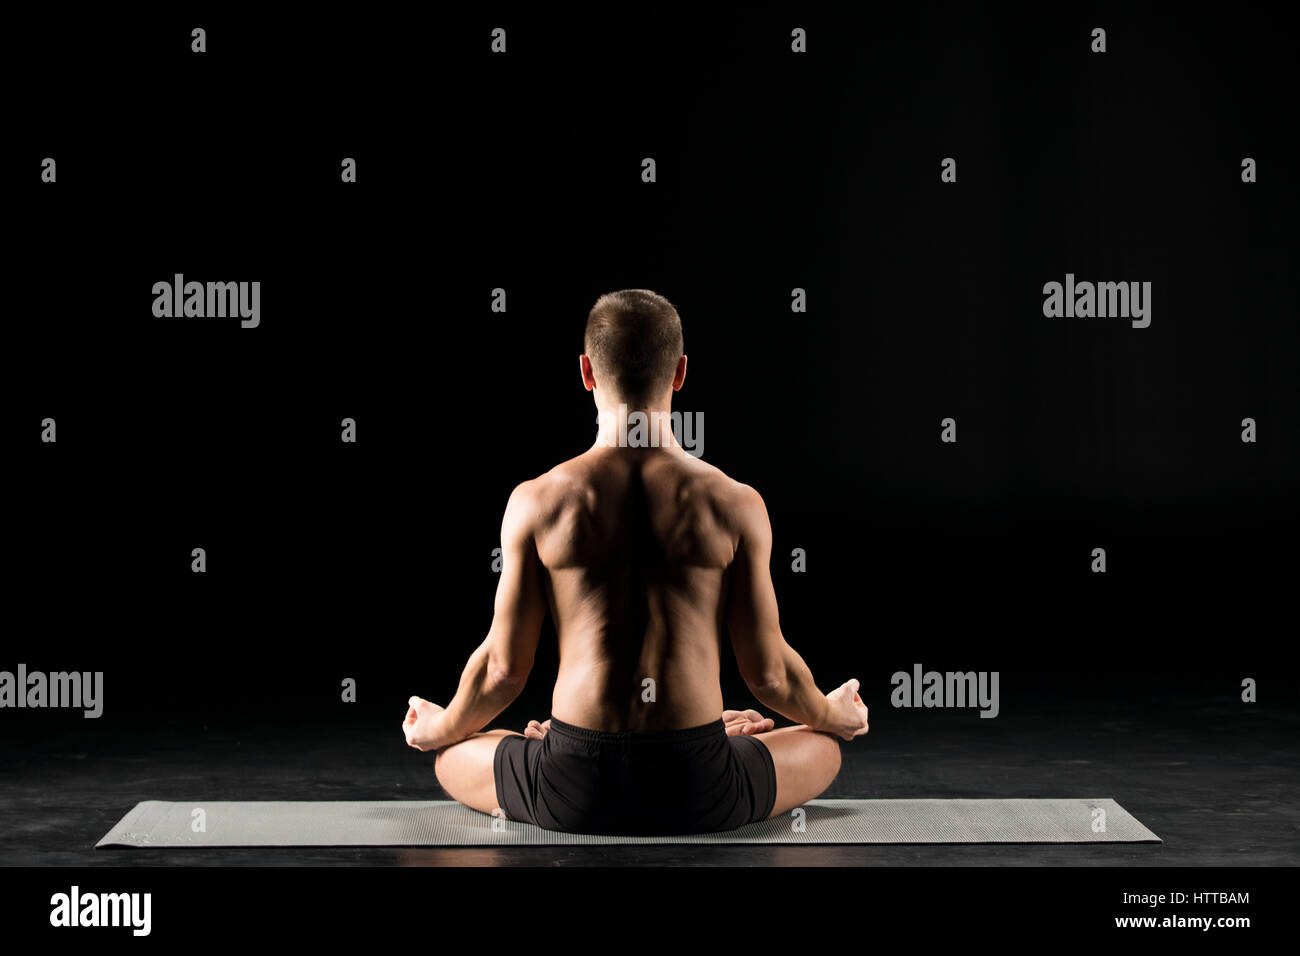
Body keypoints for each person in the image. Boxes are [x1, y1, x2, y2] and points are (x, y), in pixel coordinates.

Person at [403, 289, 869, 835]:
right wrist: (832, 715)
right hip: (699, 786)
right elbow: (768, 674)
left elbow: (502, 671)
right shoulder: (734, 502)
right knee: (824, 746)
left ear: (585, 372)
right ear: (680, 372)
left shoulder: (536, 500)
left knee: (452, 755)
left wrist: (445, 727)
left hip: (572, 784)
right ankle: (718, 737)